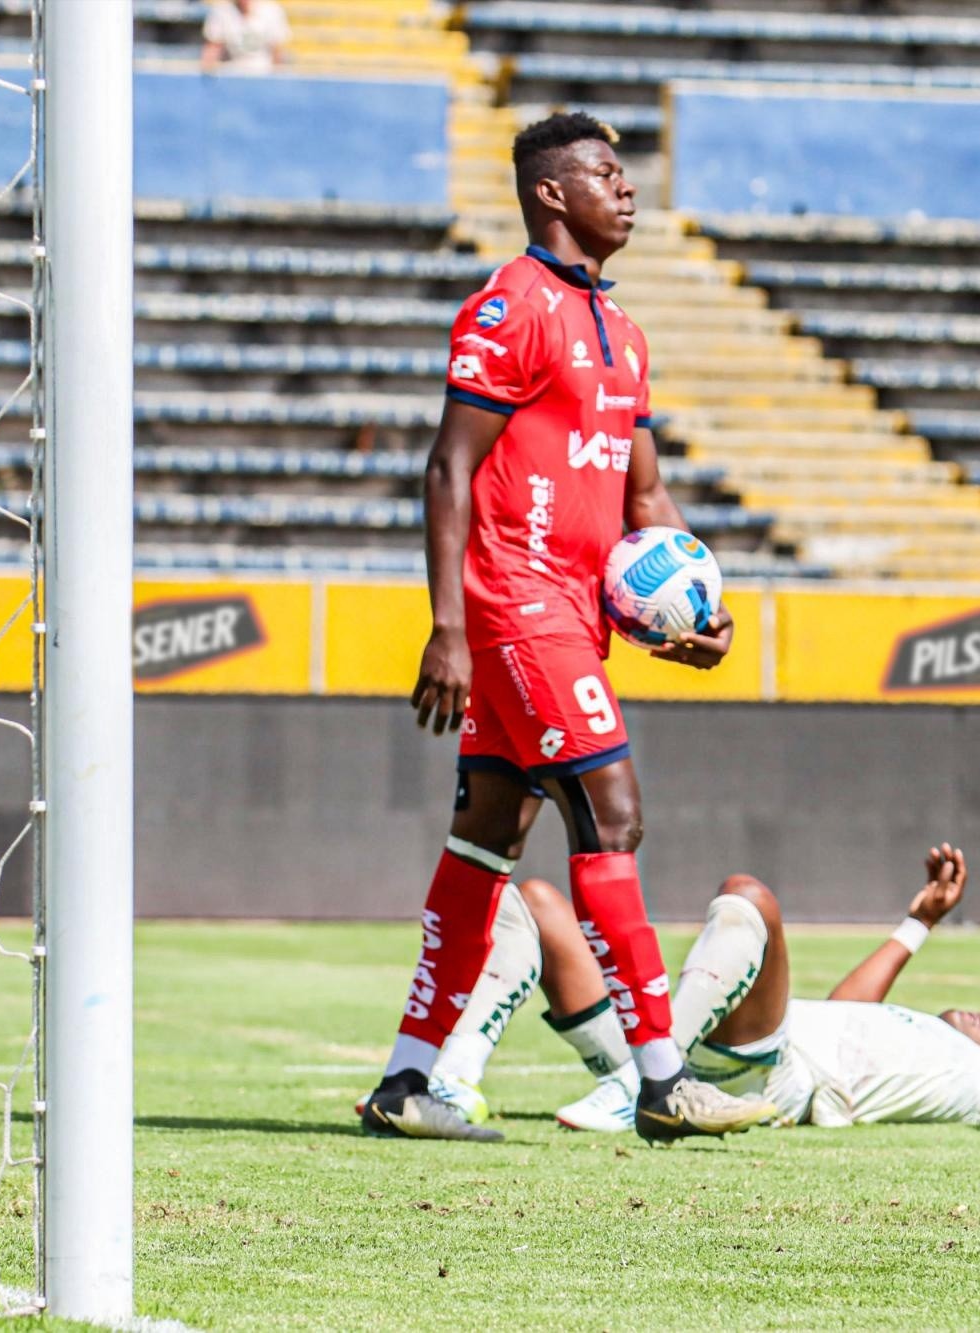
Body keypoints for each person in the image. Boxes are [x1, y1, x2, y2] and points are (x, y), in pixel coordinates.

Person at [358, 113, 773, 1145]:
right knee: (612, 812)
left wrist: (696, 607)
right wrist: (447, 626)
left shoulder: (622, 335)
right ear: (552, 193)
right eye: (603, 173)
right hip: (514, 606)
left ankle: (407, 1081)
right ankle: (663, 1079)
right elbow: (448, 467)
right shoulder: (511, 307)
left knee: (483, 842)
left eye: (623, 174)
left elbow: (647, 500)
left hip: (573, 623)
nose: (624, 190)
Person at [425, 845, 980, 1133]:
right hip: (712, 1046)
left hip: (757, 1075)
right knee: (541, 901)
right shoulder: (901, 1030)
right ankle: (453, 1082)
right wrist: (917, 925)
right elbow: (844, 1007)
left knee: (751, 896)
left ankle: (644, 1081)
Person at [201, 0, 290, 74]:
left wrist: (275, 80)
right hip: (231, 73)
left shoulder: (273, 11)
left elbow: (277, 51)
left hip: (264, 72)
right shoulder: (221, 11)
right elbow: (212, 49)